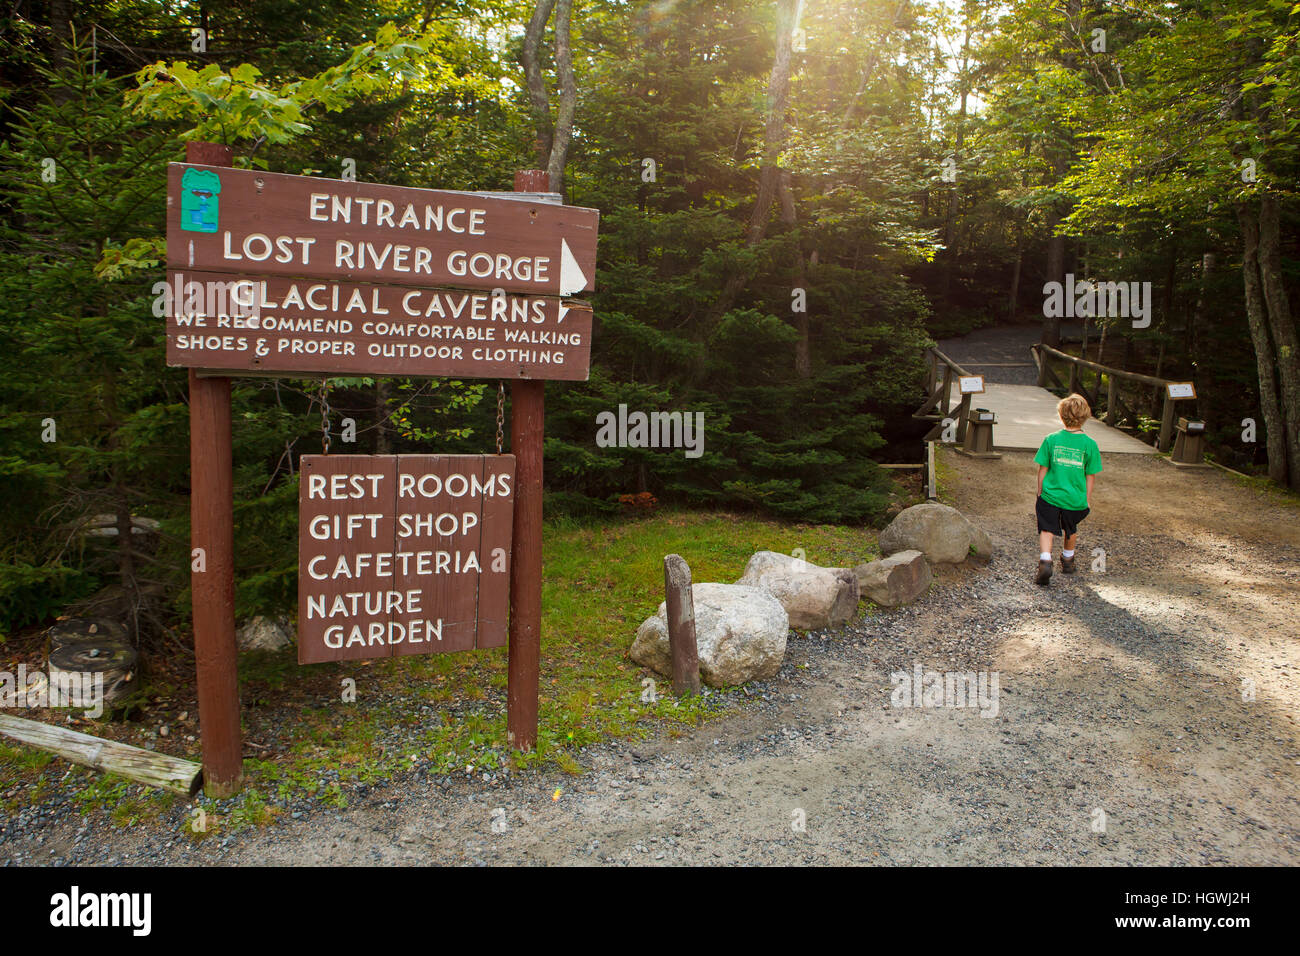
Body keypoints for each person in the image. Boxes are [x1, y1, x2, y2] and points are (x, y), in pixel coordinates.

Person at [1033, 393, 1101, 586]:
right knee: (1070, 527)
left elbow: (1042, 469)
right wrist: (1086, 498)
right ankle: (1068, 559)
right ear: (1086, 416)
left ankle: (1045, 560)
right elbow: (1090, 475)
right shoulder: (1090, 444)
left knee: (1047, 527)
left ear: (1061, 415)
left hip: (1051, 495)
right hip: (1075, 498)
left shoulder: (1051, 439)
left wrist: (1040, 491)